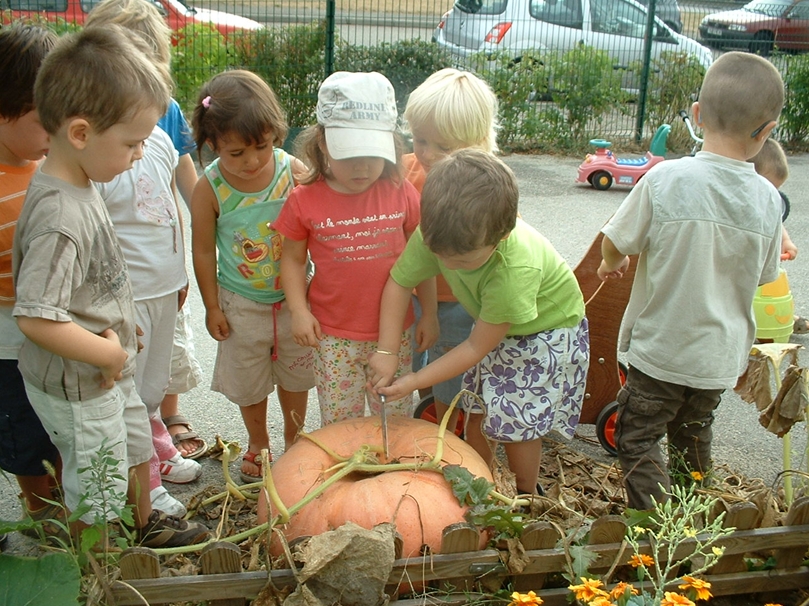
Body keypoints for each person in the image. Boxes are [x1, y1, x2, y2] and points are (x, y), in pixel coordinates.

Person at [12, 26, 209, 547]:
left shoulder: (82, 182)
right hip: (81, 381)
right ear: (80, 133)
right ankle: (94, 568)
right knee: (95, 485)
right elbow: (35, 317)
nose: (141, 154)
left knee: (136, 444)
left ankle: (143, 526)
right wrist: (104, 352)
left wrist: (115, 341)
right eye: (132, 142)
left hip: (104, 363)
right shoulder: (59, 215)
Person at [596, 51, 785, 510]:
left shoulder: (666, 180)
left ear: (697, 116)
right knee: (693, 433)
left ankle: (658, 526)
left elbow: (615, 238)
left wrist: (610, 264)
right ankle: (689, 509)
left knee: (638, 437)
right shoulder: (767, 199)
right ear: (766, 132)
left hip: (662, 350)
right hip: (716, 358)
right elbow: (765, 276)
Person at [370, 149, 590, 496]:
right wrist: (385, 349)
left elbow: (474, 347)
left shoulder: (514, 270)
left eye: (460, 260)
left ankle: (525, 494)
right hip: (493, 326)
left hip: (543, 333)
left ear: (501, 235)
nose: (446, 264)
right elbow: (399, 281)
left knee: (518, 426)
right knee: (476, 409)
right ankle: (481, 485)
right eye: (440, 254)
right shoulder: (441, 233)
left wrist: (414, 380)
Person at [85, 0, 202, 519]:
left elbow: (171, 207)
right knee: (129, 390)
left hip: (163, 285)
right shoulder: (102, 148)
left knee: (152, 385)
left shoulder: (155, 136)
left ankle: (153, 443)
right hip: (124, 294)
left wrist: (181, 274)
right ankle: (145, 482)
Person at [274, 71, 434, 426]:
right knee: (339, 422)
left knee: (392, 420)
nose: (362, 167)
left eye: (371, 154)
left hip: (395, 334)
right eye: (350, 155)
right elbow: (293, 259)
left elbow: (421, 259)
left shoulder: (400, 190)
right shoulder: (305, 200)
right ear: (323, 144)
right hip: (333, 337)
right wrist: (299, 311)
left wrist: (431, 313)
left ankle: (390, 478)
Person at [190, 70, 314, 483]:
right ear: (212, 145)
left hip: (295, 302)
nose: (253, 161)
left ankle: (295, 442)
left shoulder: (291, 171)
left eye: (261, 146)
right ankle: (259, 443)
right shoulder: (209, 189)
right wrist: (211, 306)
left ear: (275, 135)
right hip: (241, 303)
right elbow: (204, 250)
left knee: (297, 374)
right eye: (237, 152)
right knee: (250, 381)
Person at [402, 67, 500, 428]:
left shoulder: (486, 184)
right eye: (420, 140)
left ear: (477, 142)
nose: (428, 154)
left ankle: (446, 433)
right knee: (409, 362)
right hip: (412, 294)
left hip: (462, 301)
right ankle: (414, 425)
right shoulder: (404, 173)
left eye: (444, 147)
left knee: (453, 374)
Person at [0, 24, 61, 547]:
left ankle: (62, 506)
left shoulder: (45, 165)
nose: (54, 135)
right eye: (45, 123)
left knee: (58, 424)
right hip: (6, 340)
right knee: (24, 435)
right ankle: (43, 520)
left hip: (54, 329)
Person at [749, 139, 805, 335]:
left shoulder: (768, 202)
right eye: (767, 190)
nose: (771, 197)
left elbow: (776, 221)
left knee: (771, 289)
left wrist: (785, 241)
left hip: (761, 269)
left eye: (776, 191)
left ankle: (785, 318)